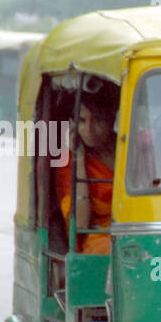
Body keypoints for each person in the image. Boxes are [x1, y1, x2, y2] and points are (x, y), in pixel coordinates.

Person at [55, 80, 119, 254]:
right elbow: (81, 223)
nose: (89, 129)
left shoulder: (129, 148)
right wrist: (80, 159)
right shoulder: (69, 162)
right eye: (82, 121)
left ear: (111, 119)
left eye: (97, 120)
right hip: (99, 241)